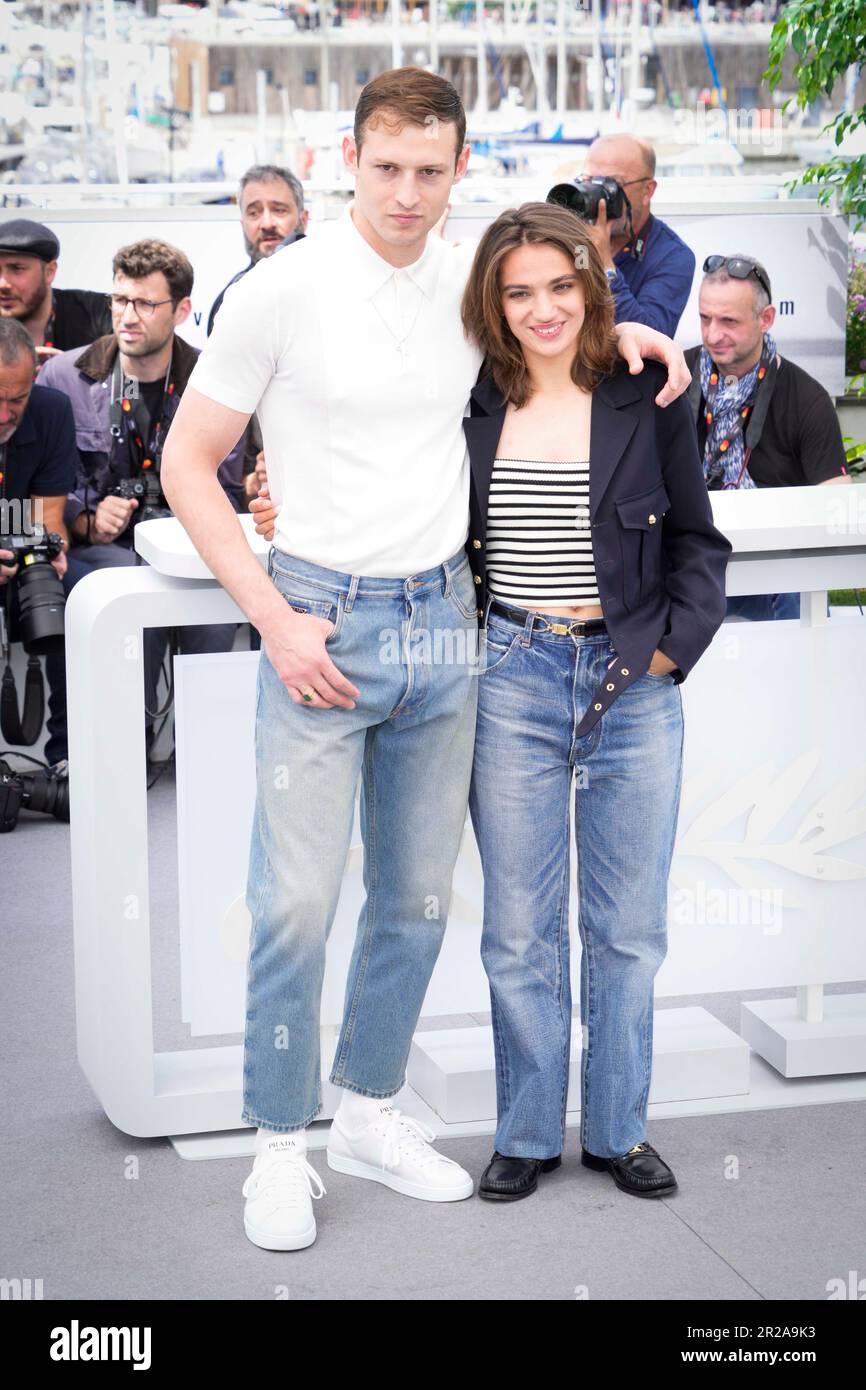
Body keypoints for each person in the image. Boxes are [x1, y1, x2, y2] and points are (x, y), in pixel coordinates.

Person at [159, 66, 691, 1254]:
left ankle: (365, 1109)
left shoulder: (473, 281)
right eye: (386, 167)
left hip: (451, 620)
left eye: (429, 170)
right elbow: (189, 462)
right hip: (318, 617)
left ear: (458, 172)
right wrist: (271, 615)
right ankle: (279, 1143)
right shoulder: (276, 290)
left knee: (414, 899)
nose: (406, 192)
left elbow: (559, 333)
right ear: (351, 157)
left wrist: (641, 330)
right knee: (293, 899)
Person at [454, 202, 731, 1202]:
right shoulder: (468, 398)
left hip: (629, 683)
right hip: (508, 677)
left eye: (560, 287)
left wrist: (666, 652)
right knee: (519, 928)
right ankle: (525, 1130)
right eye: (518, 290)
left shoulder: (642, 389)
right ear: (492, 298)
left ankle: (617, 1129)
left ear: (590, 288)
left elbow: (699, 542)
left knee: (625, 927)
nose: (541, 308)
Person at [39, 238, 244, 759]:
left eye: (145, 304)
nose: (128, 316)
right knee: (127, 589)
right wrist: (85, 519)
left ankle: (209, 755)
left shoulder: (213, 379)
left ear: (181, 311)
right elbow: (40, 484)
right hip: (103, 551)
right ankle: (120, 752)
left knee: (217, 609)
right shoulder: (64, 375)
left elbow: (232, 484)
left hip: (191, 543)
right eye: (120, 301)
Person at [685, 253, 851, 622]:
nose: (713, 334)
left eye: (729, 321)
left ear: (767, 319)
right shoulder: (672, 378)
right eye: (704, 318)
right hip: (690, 564)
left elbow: (836, 503)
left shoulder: (808, 398)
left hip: (780, 575)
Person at [0, 318, 75, 769]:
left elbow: (47, 519)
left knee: (75, 592)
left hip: (18, 550)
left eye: (17, 399)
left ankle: (69, 755)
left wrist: (50, 550)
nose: (5, 415)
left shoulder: (51, 411)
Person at [578, 133, 695, 337]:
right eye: (588, 181)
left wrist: (605, 264)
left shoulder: (672, 256)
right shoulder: (575, 239)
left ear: (647, 191)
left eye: (611, 184)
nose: (598, 196)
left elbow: (648, 338)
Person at [206, 164, 308, 338]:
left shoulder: (330, 288)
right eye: (254, 213)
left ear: (303, 219)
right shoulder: (230, 302)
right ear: (243, 224)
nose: (267, 223)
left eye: (279, 210)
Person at [0, 218, 112, 365]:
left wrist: (69, 373)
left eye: (17, 269)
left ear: (49, 272)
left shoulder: (97, 314)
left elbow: (135, 378)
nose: (3, 284)